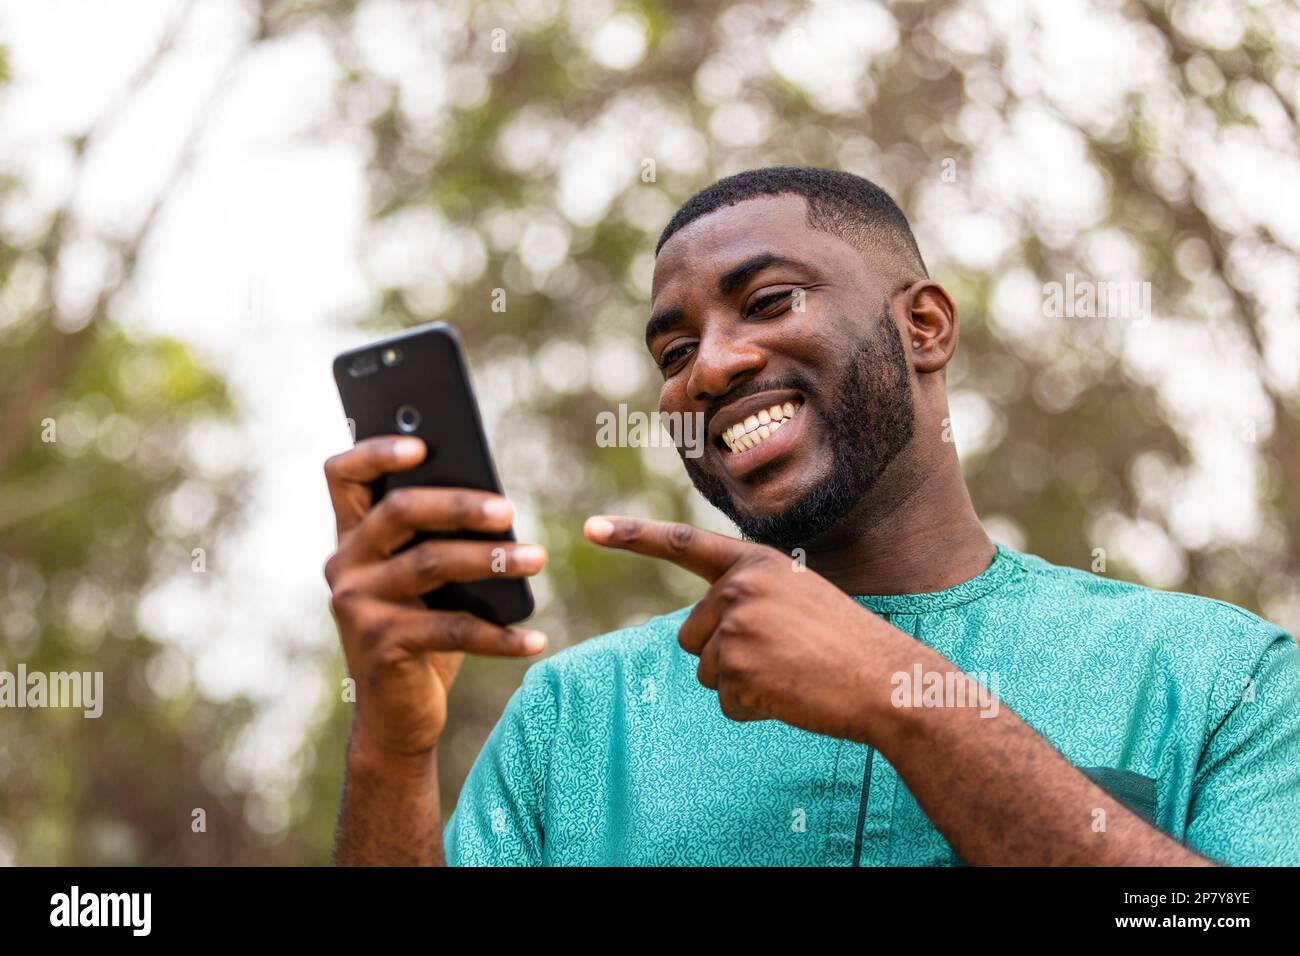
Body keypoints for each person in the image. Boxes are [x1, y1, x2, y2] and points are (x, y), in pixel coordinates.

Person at [323, 167, 1300, 866]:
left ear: (923, 326)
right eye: (671, 353)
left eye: (768, 299)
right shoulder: (574, 720)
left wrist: (904, 694)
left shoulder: (1225, 679)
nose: (708, 366)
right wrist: (393, 750)